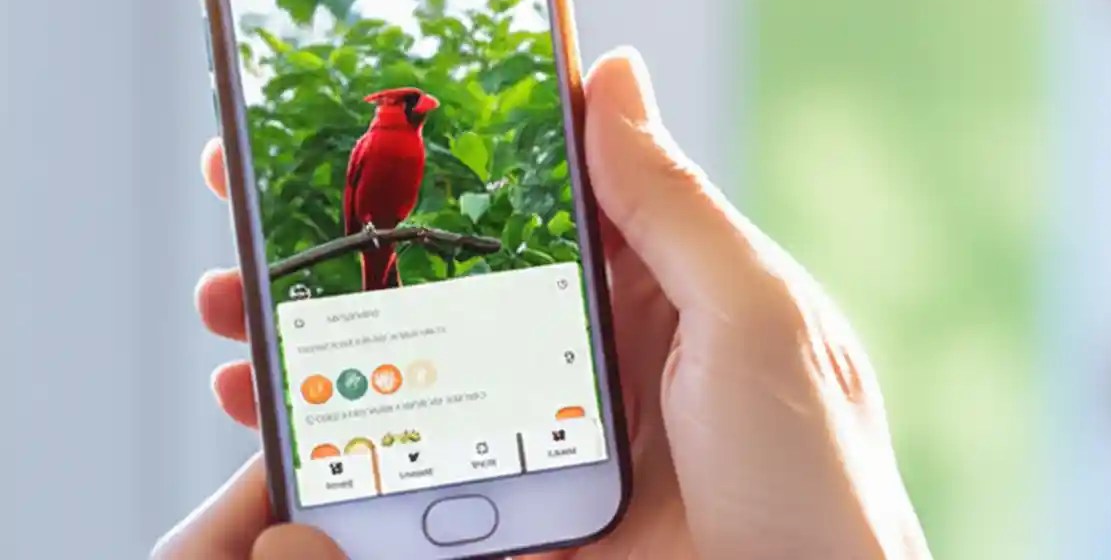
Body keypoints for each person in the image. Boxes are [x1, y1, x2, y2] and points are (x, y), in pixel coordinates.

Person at [151, 48, 932, 559]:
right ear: (390, 111)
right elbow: (360, 197)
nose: (421, 110)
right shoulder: (370, 143)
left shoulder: (415, 146)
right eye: (411, 104)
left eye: (416, 104)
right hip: (368, 234)